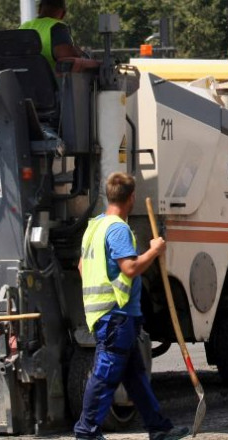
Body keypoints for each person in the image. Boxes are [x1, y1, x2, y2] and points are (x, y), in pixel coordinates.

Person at [74, 172, 188, 440]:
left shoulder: (95, 227)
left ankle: (159, 428)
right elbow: (130, 267)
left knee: (135, 377)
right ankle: (86, 432)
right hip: (117, 316)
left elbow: (82, 267)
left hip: (110, 315)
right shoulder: (117, 228)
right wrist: (154, 250)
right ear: (131, 198)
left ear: (109, 195)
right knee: (105, 374)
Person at [20, 0, 98, 72]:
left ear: (39, 9)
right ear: (63, 14)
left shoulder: (22, 27)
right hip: (50, 83)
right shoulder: (57, 27)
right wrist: (78, 53)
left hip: (19, 83)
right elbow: (67, 57)